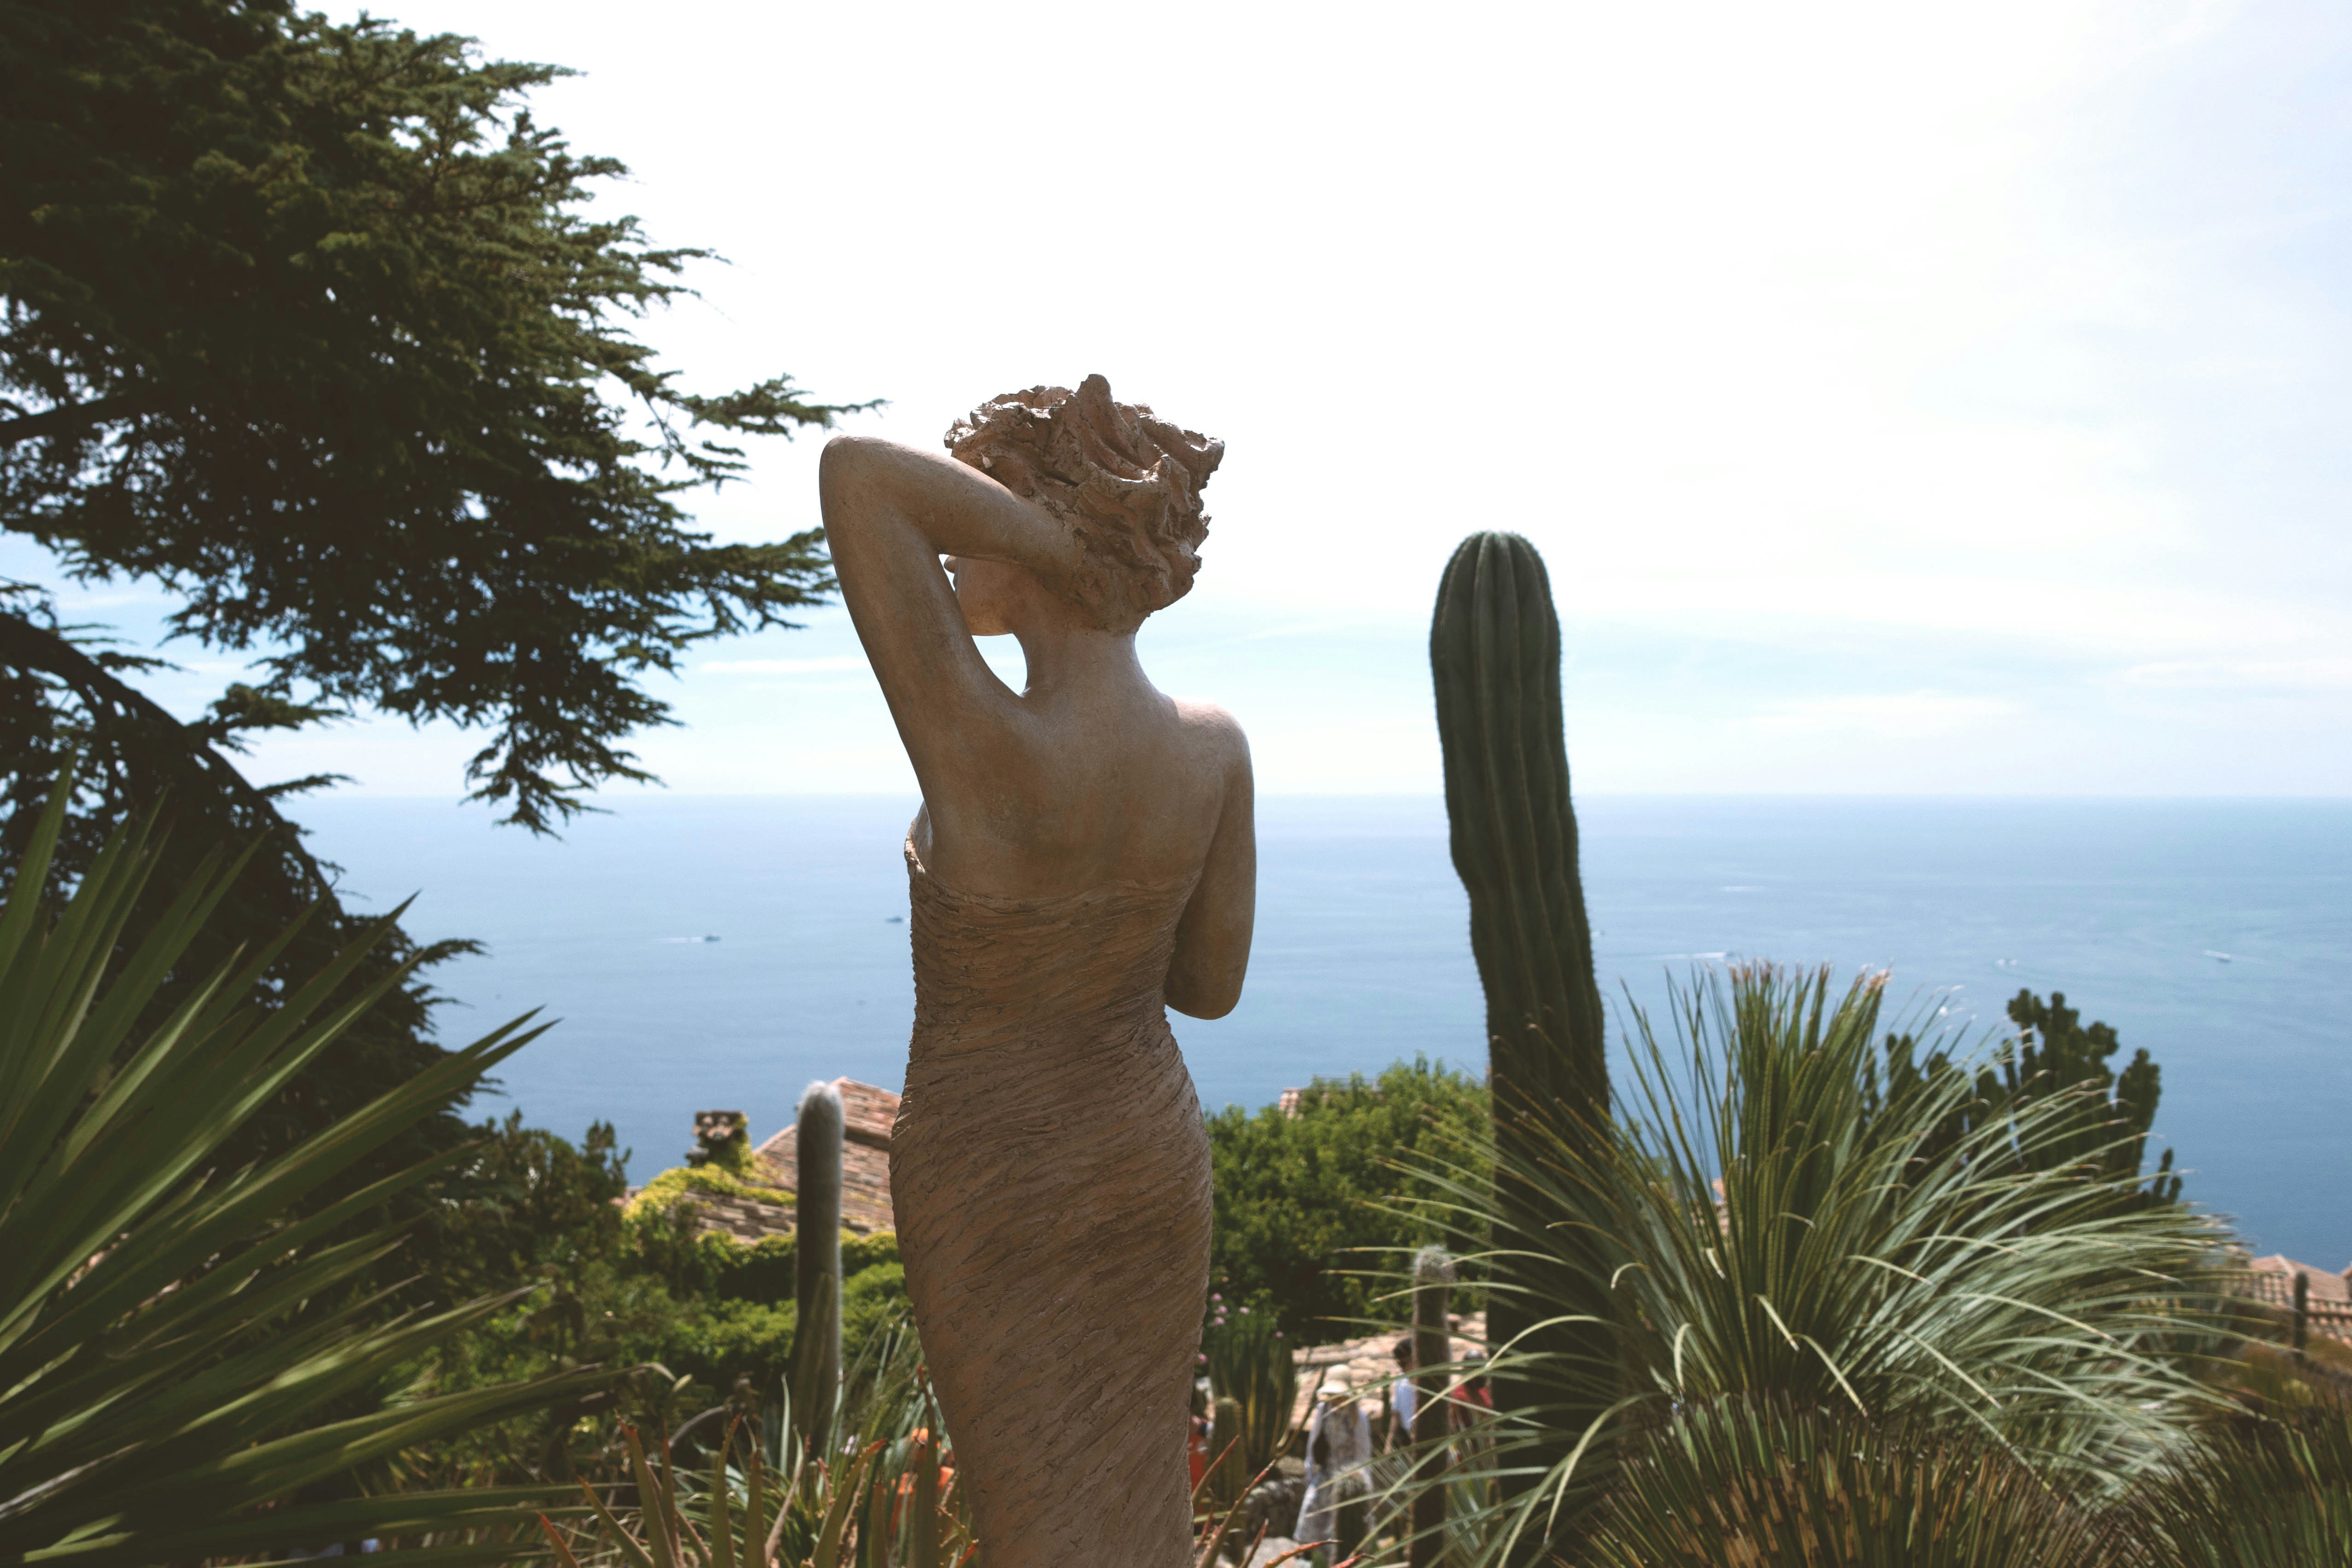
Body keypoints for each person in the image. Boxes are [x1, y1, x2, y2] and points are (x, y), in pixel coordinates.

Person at [821, 377, 1255, 1568]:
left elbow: (856, 477)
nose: (957, 538)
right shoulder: (1212, 748)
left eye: (984, 509)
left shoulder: (986, 746)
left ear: (1047, 533)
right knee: (1134, 1512)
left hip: (994, 1175)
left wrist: (1056, 538)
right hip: (1145, 1147)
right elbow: (1207, 987)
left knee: (1036, 1522)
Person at [1299, 1370, 1374, 1563]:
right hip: (1327, 1473)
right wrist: (1310, 1471)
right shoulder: (1323, 1411)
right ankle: (1310, 1558)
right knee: (1311, 1509)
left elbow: (1363, 1452)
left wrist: (1361, 1482)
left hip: (1348, 1478)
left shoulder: (1357, 1417)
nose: (1334, 1399)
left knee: (1343, 1523)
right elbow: (1313, 1441)